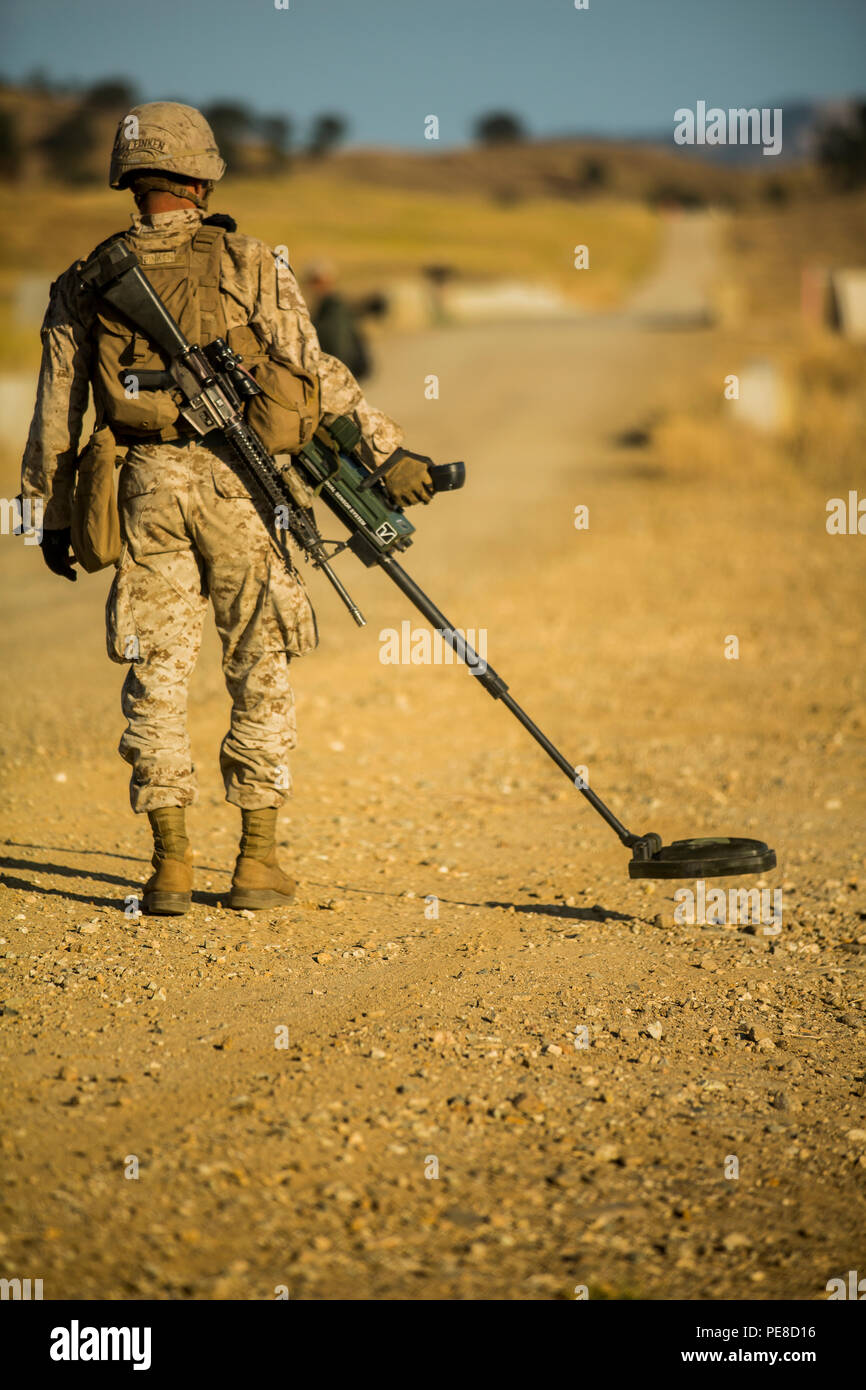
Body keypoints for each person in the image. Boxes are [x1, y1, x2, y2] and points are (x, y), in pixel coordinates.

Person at [20, 102, 436, 917]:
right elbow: (313, 374)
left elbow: (54, 412)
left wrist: (55, 514)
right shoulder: (248, 260)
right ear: (201, 176)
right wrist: (387, 451)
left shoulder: (83, 279)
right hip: (238, 491)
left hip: (142, 487)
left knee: (157, 673)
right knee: (259, 663)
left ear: (130, 181)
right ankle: (256, 862)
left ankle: (169, 868)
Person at [303, 258, 372, 381]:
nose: (314, 287)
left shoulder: (335, 309)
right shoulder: (325, 307)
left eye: (317, 281)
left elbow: (339, 347)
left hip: (338, 377)